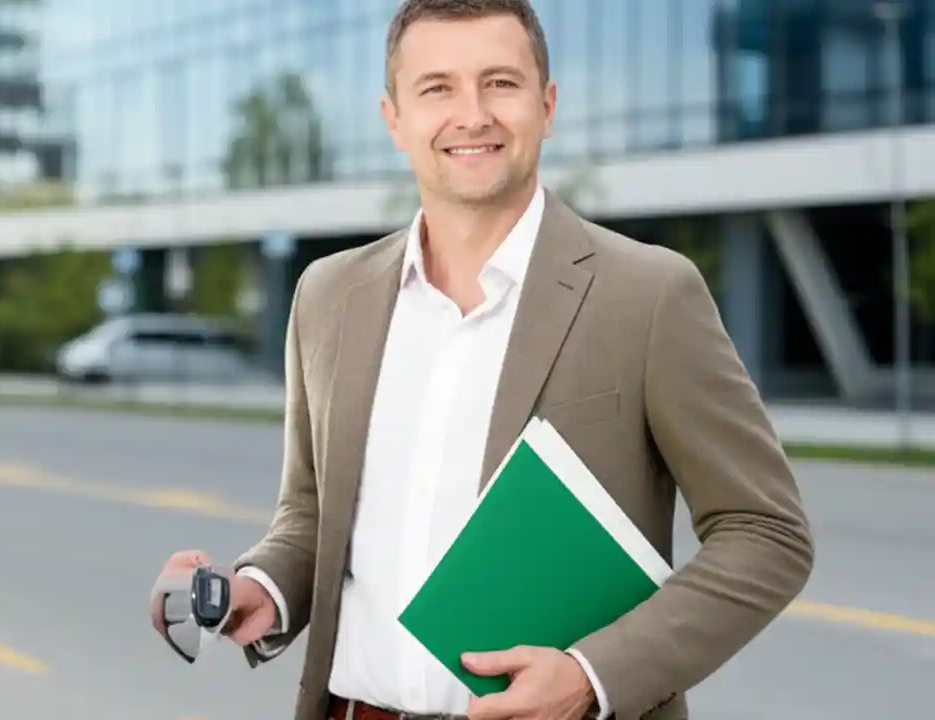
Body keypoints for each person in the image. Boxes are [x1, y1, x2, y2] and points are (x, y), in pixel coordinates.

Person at [151, 1, 814, 718]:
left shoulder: (648, 295)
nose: (472, 115)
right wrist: (261, 587)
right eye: (437, 88)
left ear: (547, 105)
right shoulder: (328, 295)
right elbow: (314, 514)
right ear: (394, 118)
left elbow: (766, 534)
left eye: (500, 83)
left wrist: (592, 676)